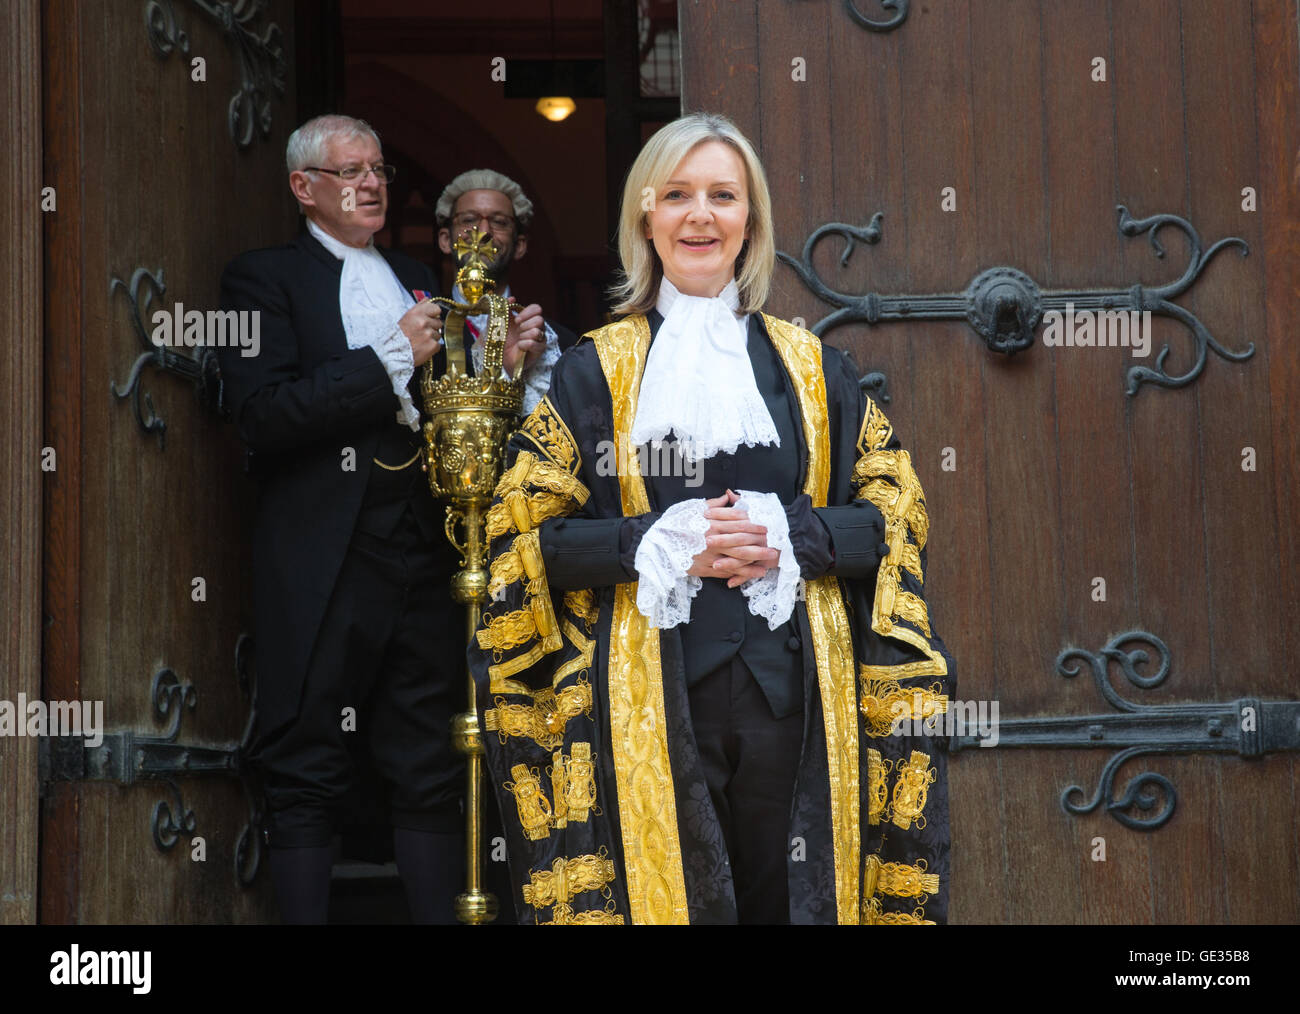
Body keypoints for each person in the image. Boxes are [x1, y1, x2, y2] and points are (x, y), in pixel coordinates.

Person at [467, 112, 957, 925]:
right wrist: (653, 544)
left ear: (750, 222)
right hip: (648, 706)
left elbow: (895, 514)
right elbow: (526, 538)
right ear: (646, 218)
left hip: (794, 698)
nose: (701, 215)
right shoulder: (594, 370)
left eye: (723, 196)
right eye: (679, 195)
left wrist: (791, 534)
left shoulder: (812, 365)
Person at [217, 114, 544, 924]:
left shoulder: (414, 276)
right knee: (309, 761)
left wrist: (502, 375)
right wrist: (387, 358)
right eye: (349, 172)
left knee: (429, 757)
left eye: (378, 170)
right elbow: (262, 414)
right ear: (305, 188)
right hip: (327, 552)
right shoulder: (263, 279)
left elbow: (457, 410)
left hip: (424, 546)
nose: (371, 184)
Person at [434, 169, 580, 414]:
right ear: (445, 240)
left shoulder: (559, 343)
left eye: (499, 222)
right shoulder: (423, 330)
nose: (484, 232)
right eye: (469, 219)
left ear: (520, 246)